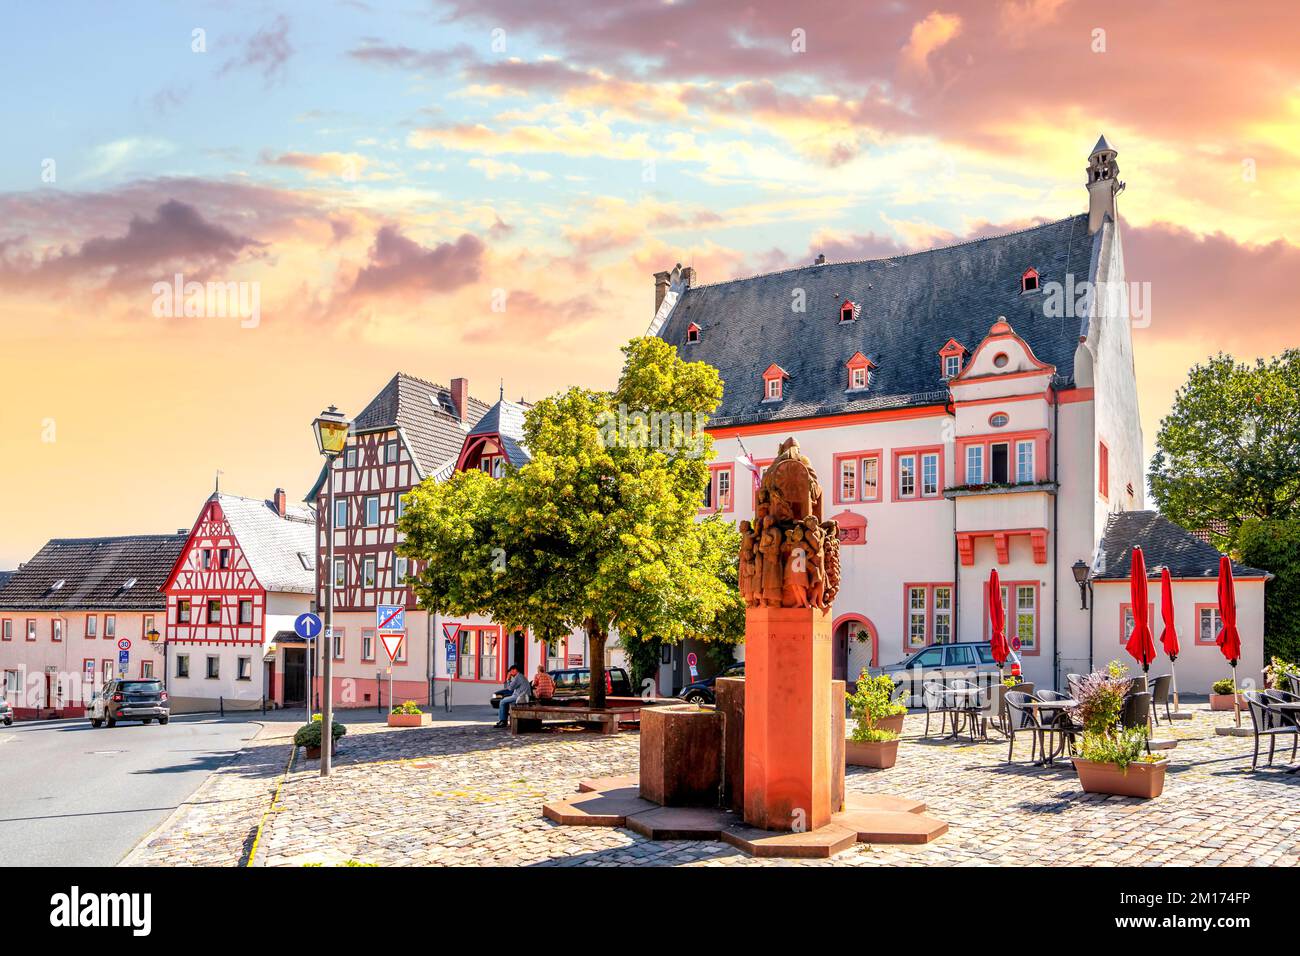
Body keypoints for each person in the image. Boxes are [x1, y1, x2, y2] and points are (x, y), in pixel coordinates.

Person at [495, 663, 531, 727]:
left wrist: (508, 679)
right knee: (505, 701)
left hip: (520, 697)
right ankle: (503, 720)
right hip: (522, 696)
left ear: (515, 670)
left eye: (510, 671)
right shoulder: (520, 676)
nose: (510, 673)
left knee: (502, 702)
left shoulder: (518, 677)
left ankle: (503, 721)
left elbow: (510, 688)